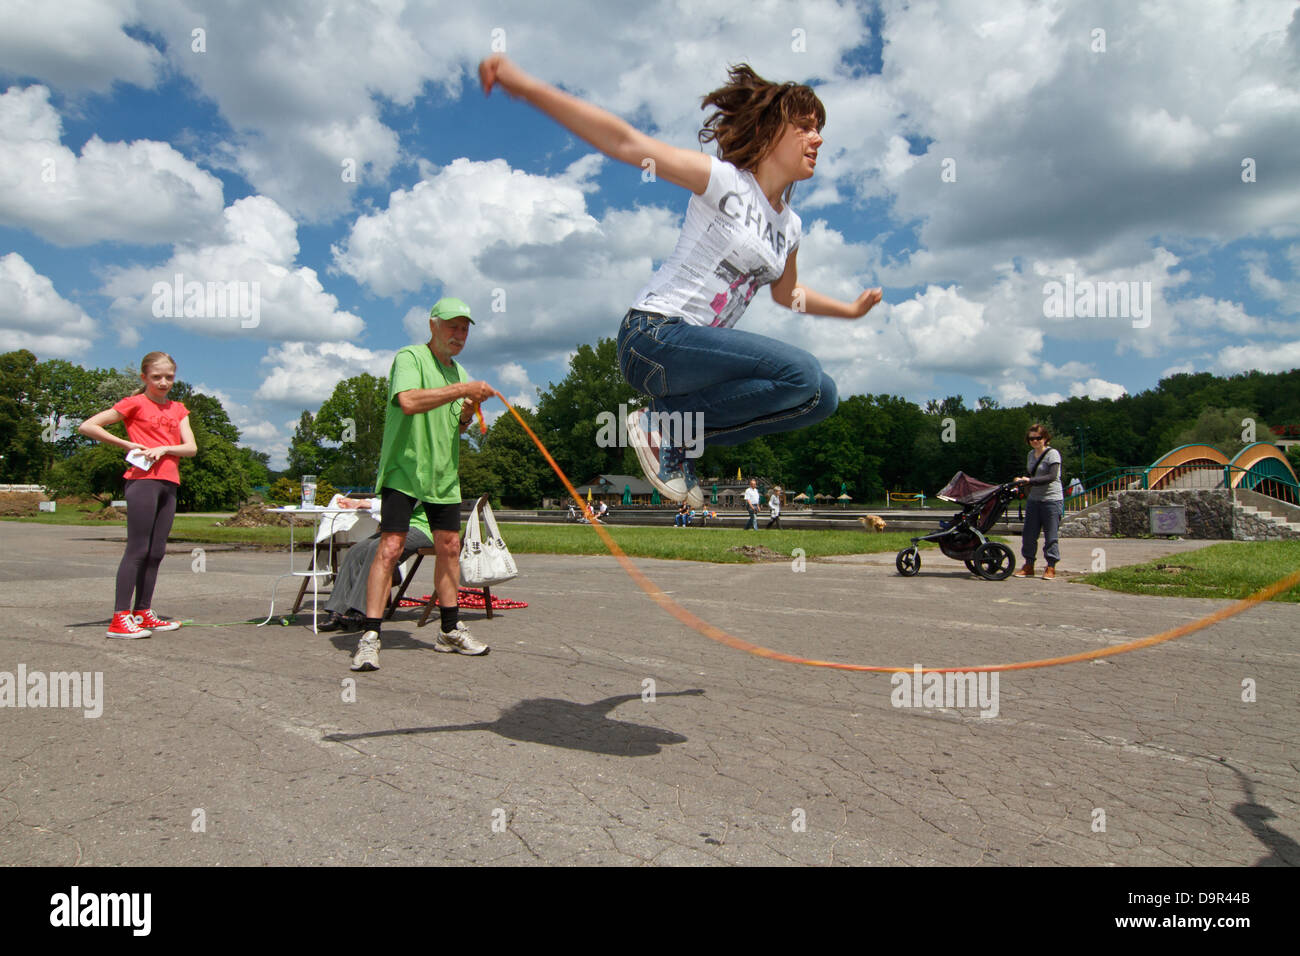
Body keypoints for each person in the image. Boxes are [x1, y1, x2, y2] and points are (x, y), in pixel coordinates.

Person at [478, 56, 883, 509]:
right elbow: (625, 142)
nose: (818, 138)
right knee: (802, 371)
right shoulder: (724, 182)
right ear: (772, 131)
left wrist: (850, 310)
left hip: (692, 367)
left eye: (819, 129)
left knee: (820, 396)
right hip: (653, 336)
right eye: (806, 127)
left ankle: (678, 434)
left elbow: (787, 294)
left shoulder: (790, 227)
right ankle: (664, 424)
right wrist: (526, 84)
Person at [351, 297, 497, 671]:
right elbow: (410, 401)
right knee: (391, 546)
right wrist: (461, 391)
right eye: (452, 326)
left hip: (443, 473)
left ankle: (449, 630)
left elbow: (456, 427)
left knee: (449, 546)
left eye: (465, 329)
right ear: (432, 325)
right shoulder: (410, 357)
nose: (459, 335)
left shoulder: (459, 372)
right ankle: (370, 635)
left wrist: (466, 412)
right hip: (406, 469)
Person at [78, 351, 198, 638]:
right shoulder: (134, 403)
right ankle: (120, 618)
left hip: (169, 482)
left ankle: (143, 612)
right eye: (156, 377)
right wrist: (128, 444)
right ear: (144, 377)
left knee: (156, 552)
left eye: (169, 377)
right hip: (142, 481)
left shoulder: (178, 409)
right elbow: (87, 426)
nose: (163, 382)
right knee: (138, 549)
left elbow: (191, 448)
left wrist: (165, 448)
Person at [317, 496, 433, 632]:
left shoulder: (414, 476)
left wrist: (362, 503)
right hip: (397, 527)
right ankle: (337, 610)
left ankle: (361, 613)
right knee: (356, 551)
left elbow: (402, 503)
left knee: (377, 549)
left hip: (424, 528)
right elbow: (384, 499)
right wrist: (359, 503)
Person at [1013, 424, 1064, 580]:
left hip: (1052, 499)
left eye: (1038, 438)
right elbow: (1031, 475)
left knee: (1051, 535)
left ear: (1045, 438)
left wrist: (1030, 480)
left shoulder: (1052, 454)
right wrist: (1022, 481)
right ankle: (1029, 565)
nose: (1035, 441)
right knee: (1029, 534)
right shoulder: (1030, 455)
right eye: (1031, 439)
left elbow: (1052, 476)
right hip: (1034, 499)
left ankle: (1051, 566)